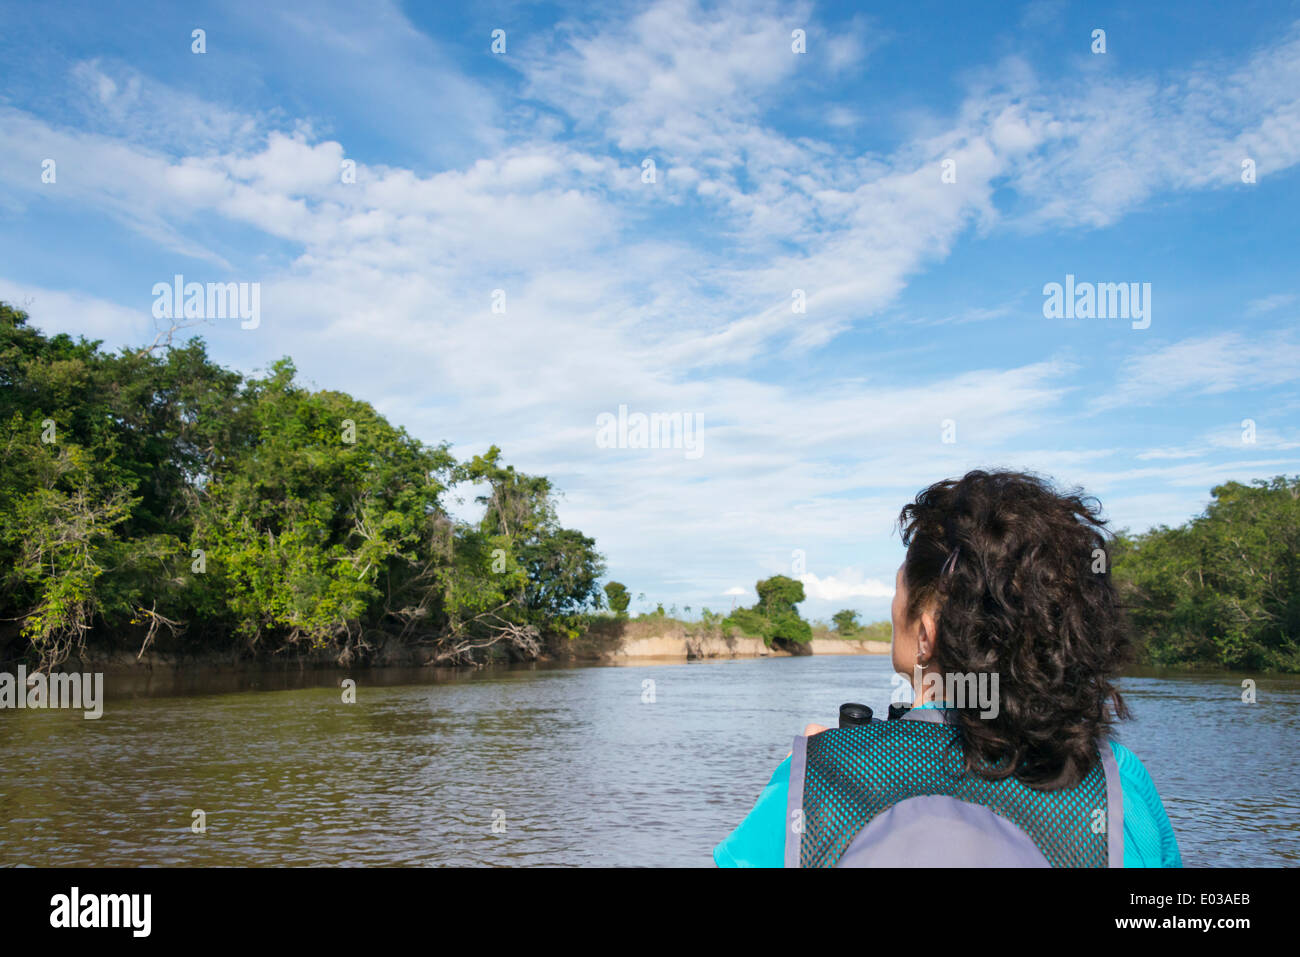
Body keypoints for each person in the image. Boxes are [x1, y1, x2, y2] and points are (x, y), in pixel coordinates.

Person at [714, 469, 1181, 867]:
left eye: (898, 591)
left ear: (927, 628)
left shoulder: (817, 774)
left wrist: (822, 768)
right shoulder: (1117, 778)